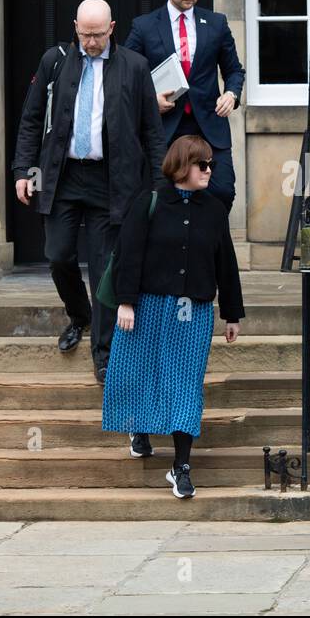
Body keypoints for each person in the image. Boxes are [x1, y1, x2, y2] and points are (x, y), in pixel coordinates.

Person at [12, 0, 165, 383]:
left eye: (98, 34)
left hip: (111, 182)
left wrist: (162, 186)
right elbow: (32, 120)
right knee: (58, 255)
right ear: (75, 27)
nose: (91, 42)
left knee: (103, 270)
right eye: (85, 34)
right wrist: (22, 172)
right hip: (61, 177)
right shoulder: (56, 61)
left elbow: (151, 131)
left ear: (112, 27)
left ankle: (105, 355)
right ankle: (80, 316)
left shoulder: (134, 66)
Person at [102, 135, 244, 498]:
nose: (210, 171)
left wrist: (231, 314)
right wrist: (126, 302)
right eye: (203, 165)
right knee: (139, 370)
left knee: (185, 385)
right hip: (147, 305)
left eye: (211, 164)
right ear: (182, 167)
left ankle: (180, 466)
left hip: (192, 311)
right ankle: (140, 429)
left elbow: (225, 263)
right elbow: (129, 254)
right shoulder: (149, 203)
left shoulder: (214, 210)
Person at [124, 0, 244, 212]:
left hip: (209, 127)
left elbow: (234, 70)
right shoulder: (144, 26)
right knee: (165, 198)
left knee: (222, 191)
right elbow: (125, 76)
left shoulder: (216, 23)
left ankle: (210, 245)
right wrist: (149, 102)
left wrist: (231, 94)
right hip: (164, 127)